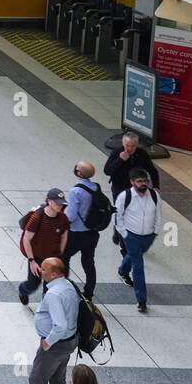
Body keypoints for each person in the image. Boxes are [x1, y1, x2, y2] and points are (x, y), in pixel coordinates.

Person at [28, 257, 80, 384]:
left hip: (56, 345)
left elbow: (60, 325)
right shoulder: (68, 285)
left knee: (37, 382)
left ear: (54, 274)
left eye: (44, 269)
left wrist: (48, 342)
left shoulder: (54, 294)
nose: (40, 271)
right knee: (58, 380)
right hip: (68, 341)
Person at [114, 168, 161, 313]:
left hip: (148, 236)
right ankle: (141, 300)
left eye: (145, 181)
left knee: (135, 256)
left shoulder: (154, 195)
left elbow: (158, 213)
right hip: (131, 235)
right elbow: (117, 216)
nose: (143, 184)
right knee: (138, 265)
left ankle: (122, 270)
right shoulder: (125, 196)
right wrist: (124, 233)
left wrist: (155, 232)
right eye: (139, 181)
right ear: (132, 182)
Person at [20, 188, 71, 304]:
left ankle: (46, 307)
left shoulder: (63, 218)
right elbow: (26, 239)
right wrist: (32, 261)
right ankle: (23, 290)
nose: (61, 206)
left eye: (62, 204)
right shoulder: (37, 217)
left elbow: (64, 236)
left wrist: (60, 255)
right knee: (33, 284)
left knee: (50, 287)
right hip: (37, 258)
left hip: (53, 258)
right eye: (58, 203)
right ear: (49, 201)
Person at [64, 161, 106, 300]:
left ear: (79, 173)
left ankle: (63, 287)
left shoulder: (75, 191)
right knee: (88, 262)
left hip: (76, 233)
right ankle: (89, 292)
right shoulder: (96, 187)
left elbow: (71, 216)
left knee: (64, 258)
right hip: (92, 233)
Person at [103, 131, 159, 203]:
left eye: (133, 146)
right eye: (127, 145)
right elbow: (107, 171)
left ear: (137, 145)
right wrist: (120, 160)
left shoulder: (142, 153)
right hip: (119, 187)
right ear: (123, 144)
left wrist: (155, 185)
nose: (130, 148)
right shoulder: (116, 152)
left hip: (137, 187)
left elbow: (152, 170)